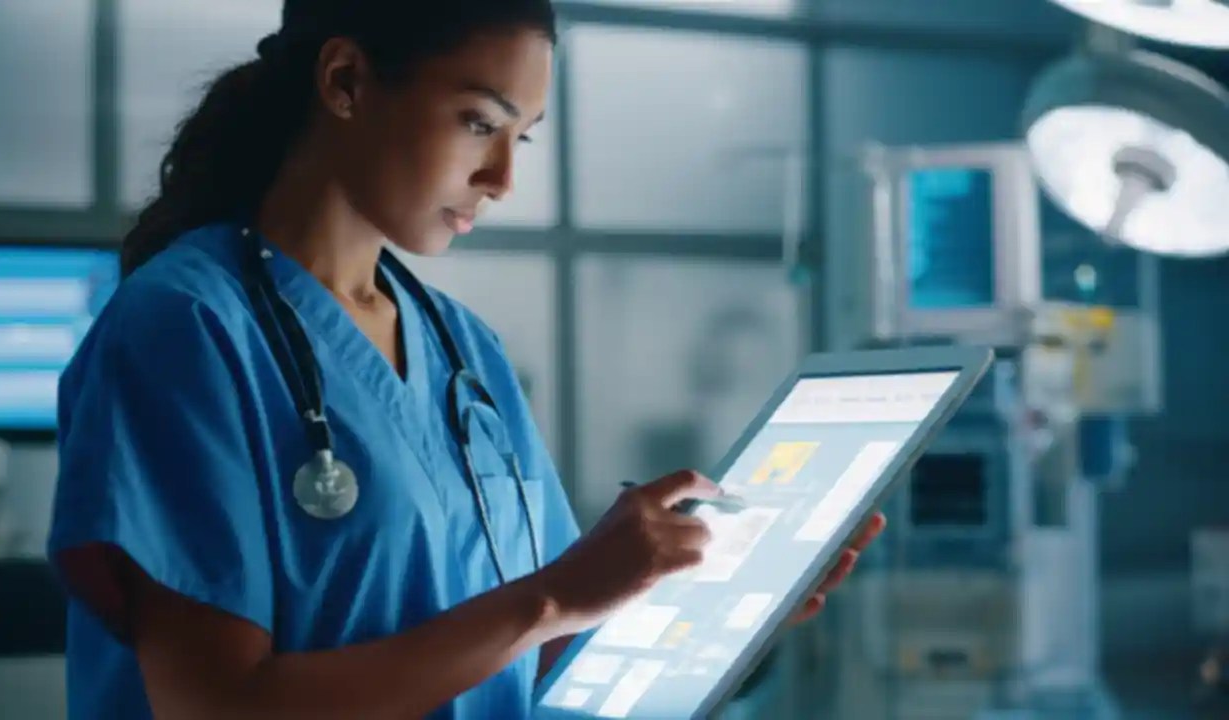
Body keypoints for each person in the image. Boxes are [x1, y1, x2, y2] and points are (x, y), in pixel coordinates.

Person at [46, 1, 886, 718]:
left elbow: (537, 656)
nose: (503, 176)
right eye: (480, 123)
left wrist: (720, 616)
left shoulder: (462, 349)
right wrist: (555, 595)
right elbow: (221, 707)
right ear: (345, 82)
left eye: (523, 135)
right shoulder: (185, 327)